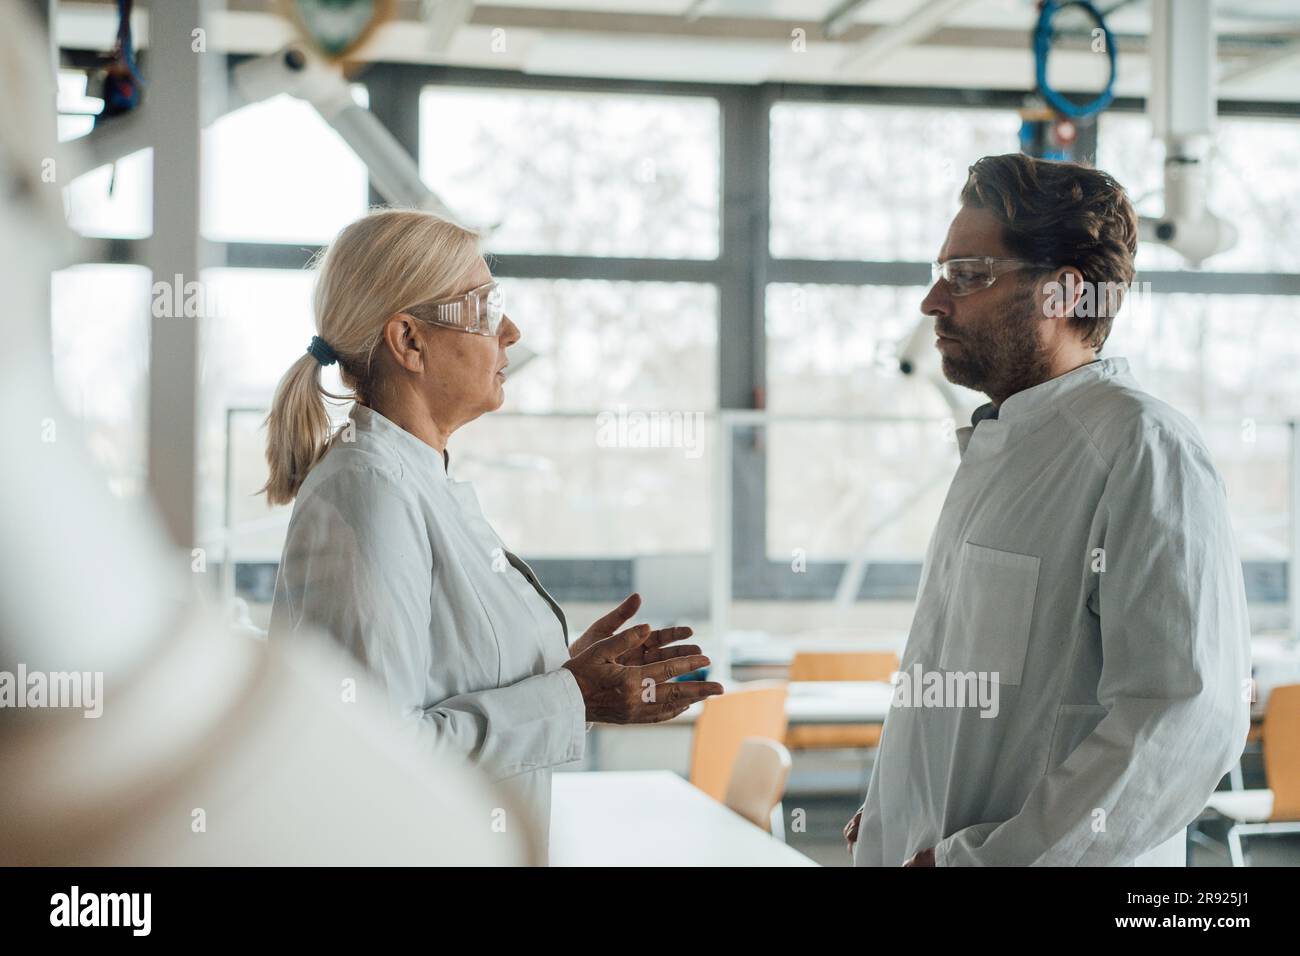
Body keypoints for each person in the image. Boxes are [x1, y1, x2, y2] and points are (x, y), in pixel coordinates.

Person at [264, 210, 723, 859]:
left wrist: (564, 673)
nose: (510, 330)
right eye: (485, 307)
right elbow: (371, 759)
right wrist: (573, 696)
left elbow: (445, 679)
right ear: (409, 342)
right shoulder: (369, 494)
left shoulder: (414, 478)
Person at [845, 153, 1251, 866]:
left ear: (1064, 294)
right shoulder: (1001, 443)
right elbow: (978, 700)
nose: (933, 302)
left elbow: (1181, 716)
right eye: (941, 272)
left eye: (968, 275)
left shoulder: (1143, 448)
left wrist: (987, 860)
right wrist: (899, 808)